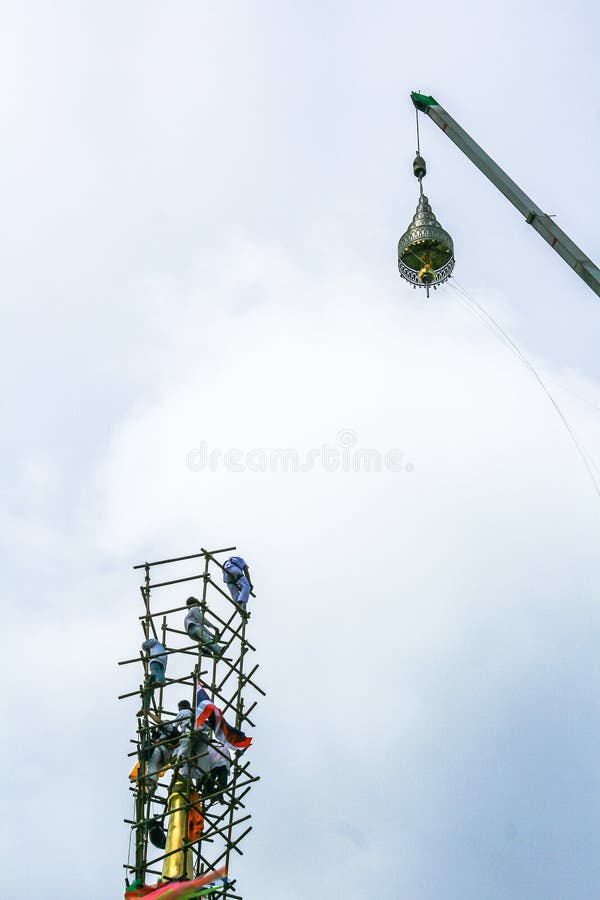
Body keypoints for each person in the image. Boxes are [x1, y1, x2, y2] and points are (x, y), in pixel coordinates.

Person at [172, 700, 211, 790]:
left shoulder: (183, 712)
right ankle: (203, 774)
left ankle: (179, 760)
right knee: (201, 755)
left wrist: (175, 738)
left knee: (184, 748)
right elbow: (207, 727)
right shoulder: (197, 713)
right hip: (202, 735)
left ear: (181, 707)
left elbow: (174, 727)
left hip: (190, 732)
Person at [138, 637, 168, 715]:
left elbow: (145, 644)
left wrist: (146, 650)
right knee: (148, 687)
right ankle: (145, 707)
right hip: (159, 661)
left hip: (157, 659)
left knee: (155, 669)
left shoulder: (155, 643)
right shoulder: (157, 649)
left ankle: (161, 680)